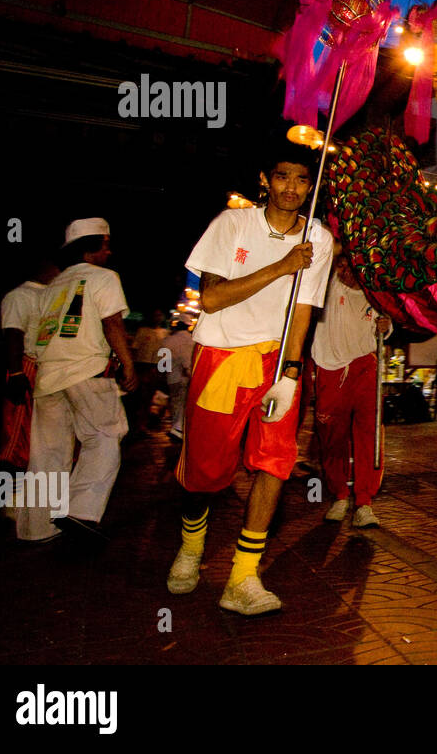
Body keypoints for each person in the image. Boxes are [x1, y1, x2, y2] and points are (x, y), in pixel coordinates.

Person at [166, 142, 333, 615]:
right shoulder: (231, 223)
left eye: (303, 180)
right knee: (205, 471)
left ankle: (242, 576)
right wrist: (283, 266)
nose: (292, 189)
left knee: (276, 463)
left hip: (276, 363)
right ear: (266, 179)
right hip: (221, 356)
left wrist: (293, 373)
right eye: (283, 177)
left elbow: (303, 311)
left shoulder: (319, 241)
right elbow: (213, 299)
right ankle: (192, 548)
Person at [16, 219, 136, 542]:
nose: (109, 251)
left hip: (48, 377)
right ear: (91, 247)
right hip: (87, 372)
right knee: (106, 435)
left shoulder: (52, 286)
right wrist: (128, 365)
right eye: (106, 244)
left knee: (48, 453)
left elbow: (32, 341)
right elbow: (112, 323)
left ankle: (36, 529)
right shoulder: (104, 278)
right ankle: (80, 510)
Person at [312, 253, 391, 526]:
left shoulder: (377, 292)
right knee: (332, 436)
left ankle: (364, 502)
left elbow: (385, 324)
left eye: (349, 266)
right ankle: (339, 495)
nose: (343, 271)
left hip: (365, 365)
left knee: (369, 435)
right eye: (340, 265)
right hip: (330, 367)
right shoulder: (330, 284)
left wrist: (386, 326)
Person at [0, 258, 61, 469]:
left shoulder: (54, 294)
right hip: (28, 367)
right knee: (19, 434)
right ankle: (12, 489)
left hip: (51, 369)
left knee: (42, 434)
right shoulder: (19, 295)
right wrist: (16, 374)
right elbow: (13, 333)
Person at [129, 309, 168, 435]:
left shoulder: (165, 333)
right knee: (139, 397)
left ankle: (143, 424)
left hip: (156, 367)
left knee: (149, 397)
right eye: (155, 315)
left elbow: (165, 353)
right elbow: (134, 349)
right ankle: (135, 424)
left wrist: (163, 370)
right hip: (142, 366)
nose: (157, 318)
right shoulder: (142, 331)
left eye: (159, 315)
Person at [161, 318, 193, 440]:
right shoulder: (193, 340)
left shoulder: (167, 340)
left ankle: (177, 427)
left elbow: (163, 364)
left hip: (173, 377)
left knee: (175, 403)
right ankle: (179, 428)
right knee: (184, 403)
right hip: (188, 376)